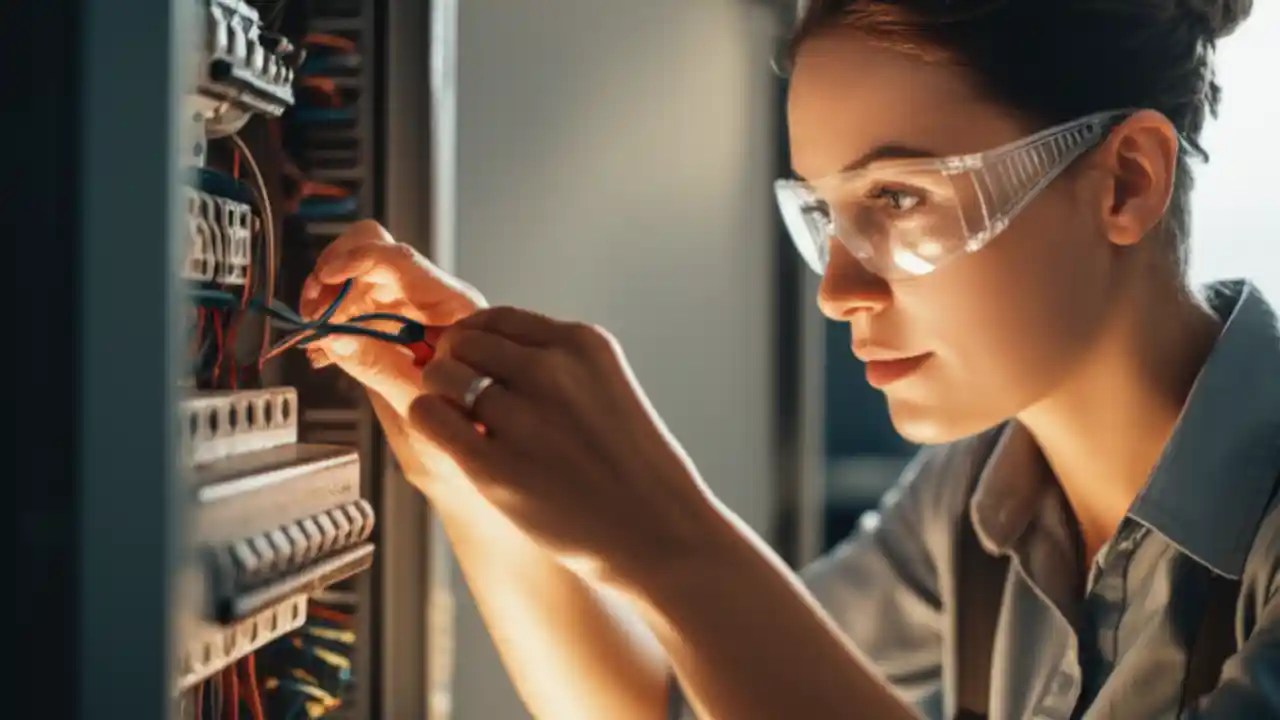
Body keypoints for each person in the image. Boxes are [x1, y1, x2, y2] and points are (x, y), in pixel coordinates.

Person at [299, 0, 1279, 717]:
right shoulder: (974, 498)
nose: (836, 289)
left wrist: (672, 539)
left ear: (1124, 182)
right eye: (823, 214)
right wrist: (477, 467)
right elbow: (690, 703)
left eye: (896, 199)